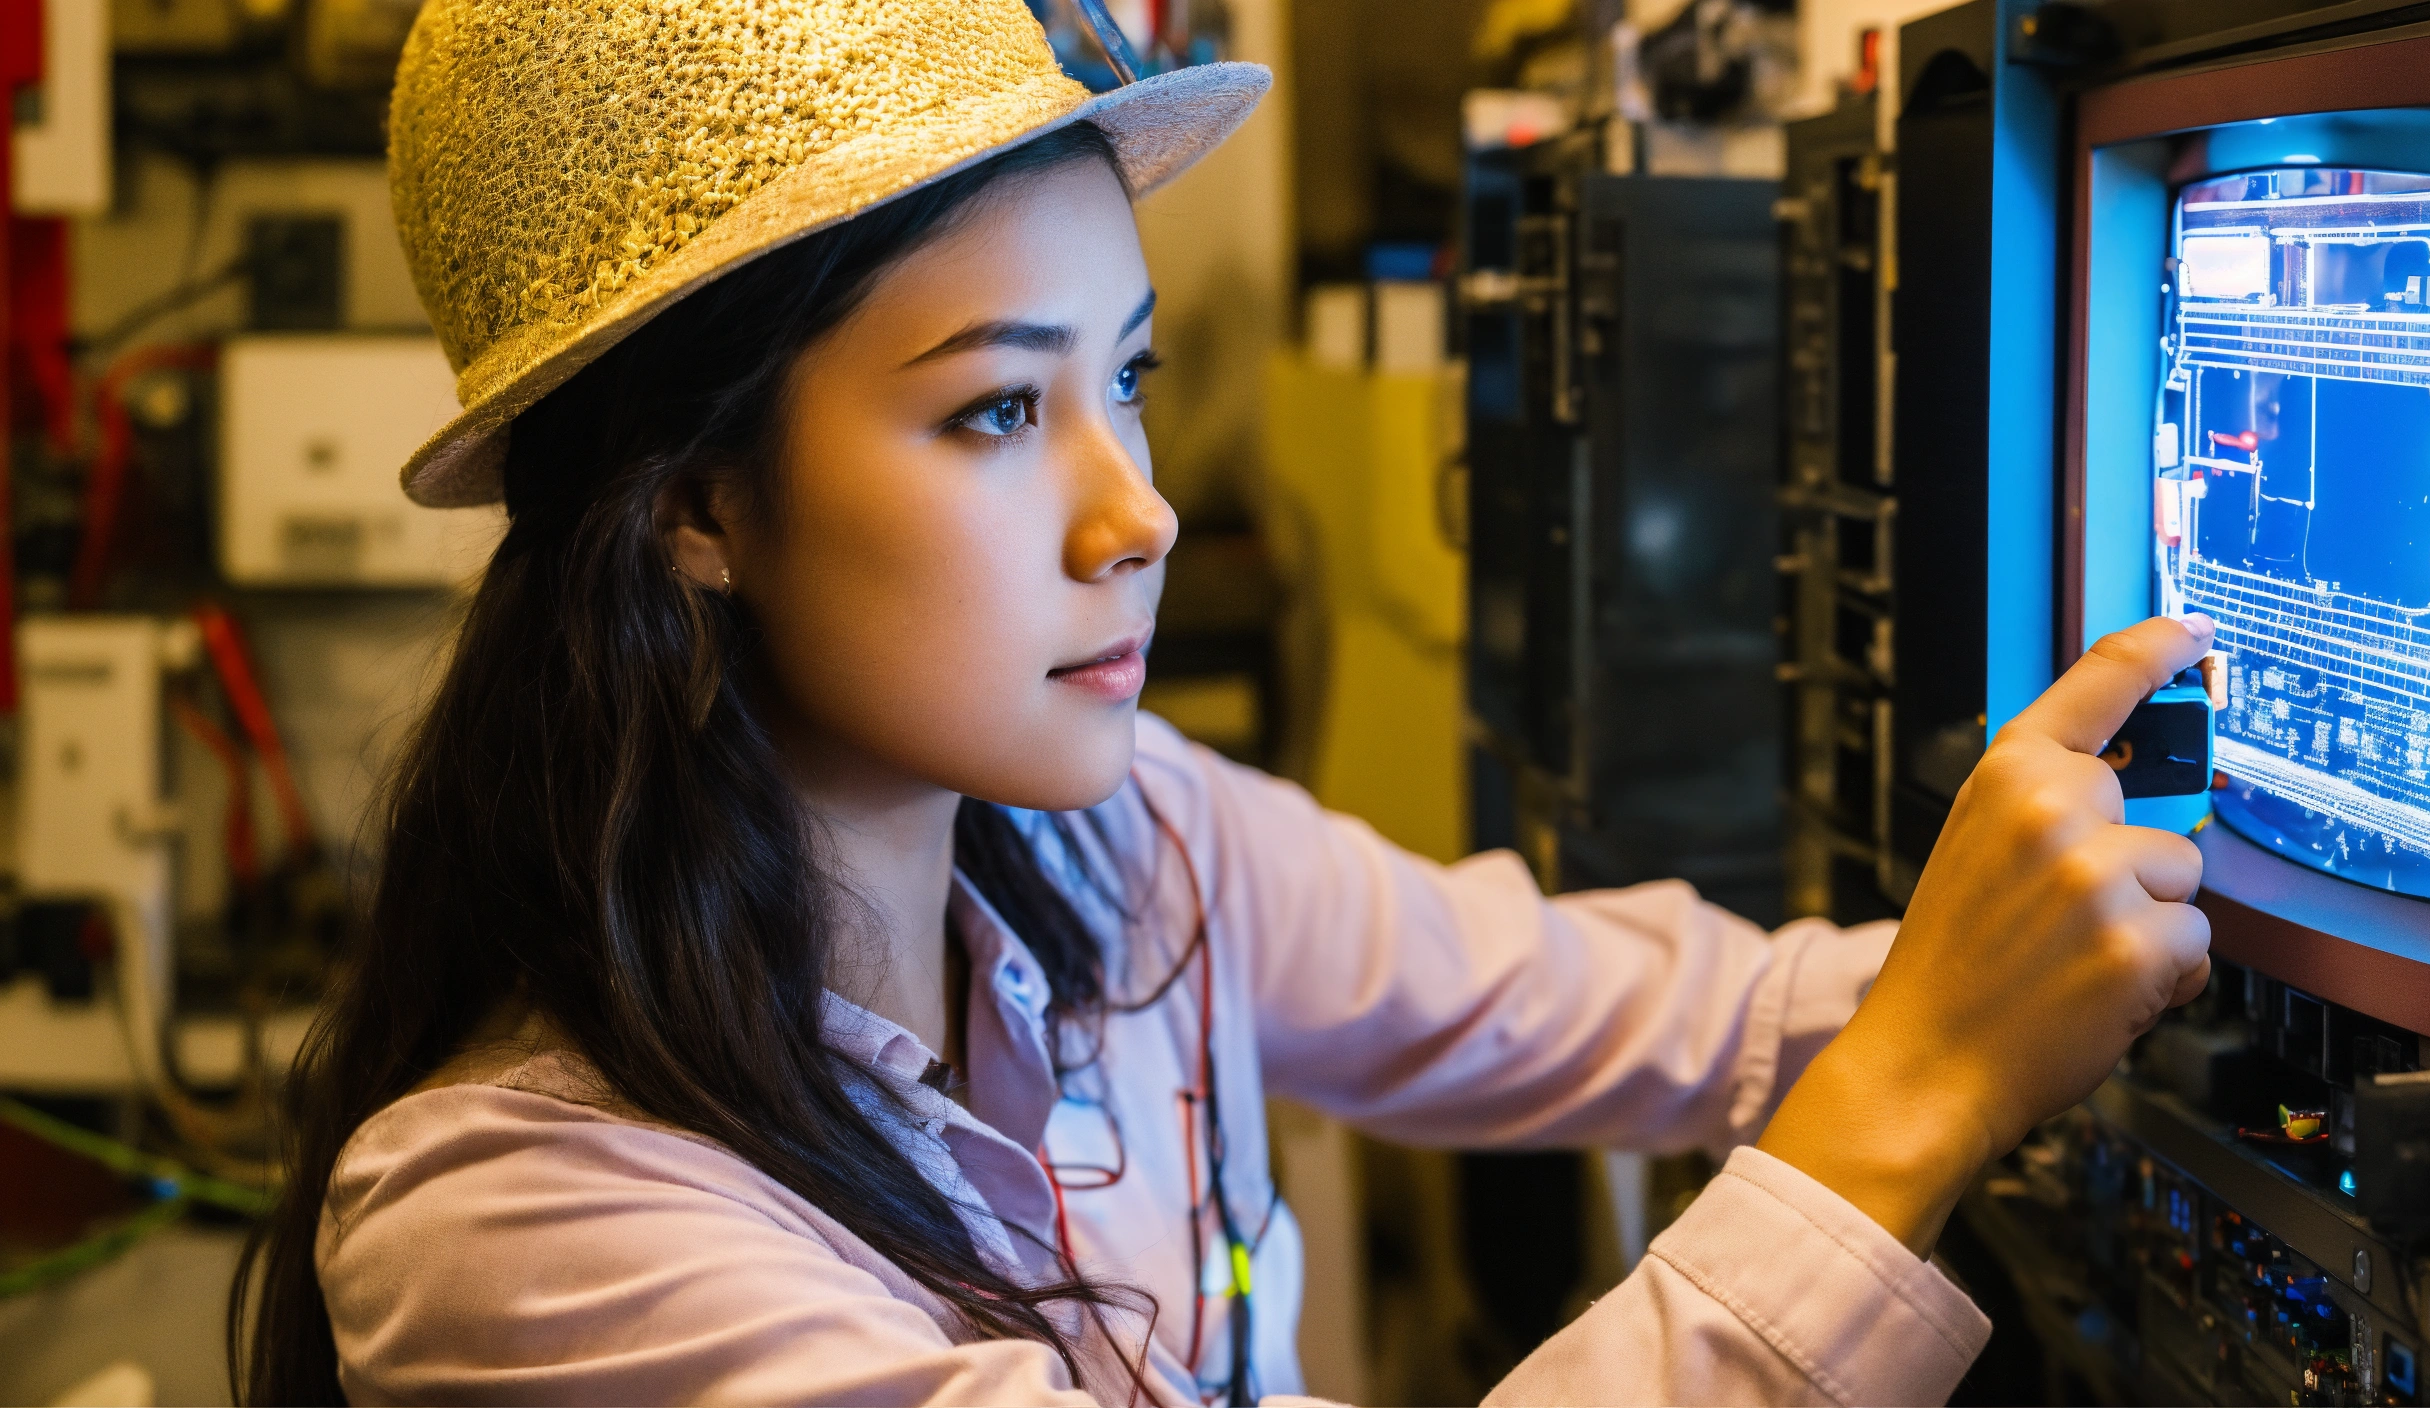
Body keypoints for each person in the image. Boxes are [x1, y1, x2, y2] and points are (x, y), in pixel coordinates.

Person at [235, 1, 2216, 1403]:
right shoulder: (526, 1231)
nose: (1140, 509)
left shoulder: (1118, 841)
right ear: (694, 503)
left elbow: (1596, 997)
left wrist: (2056, 948)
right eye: (998, 409)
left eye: (1131, 375)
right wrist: (1914, 1100)